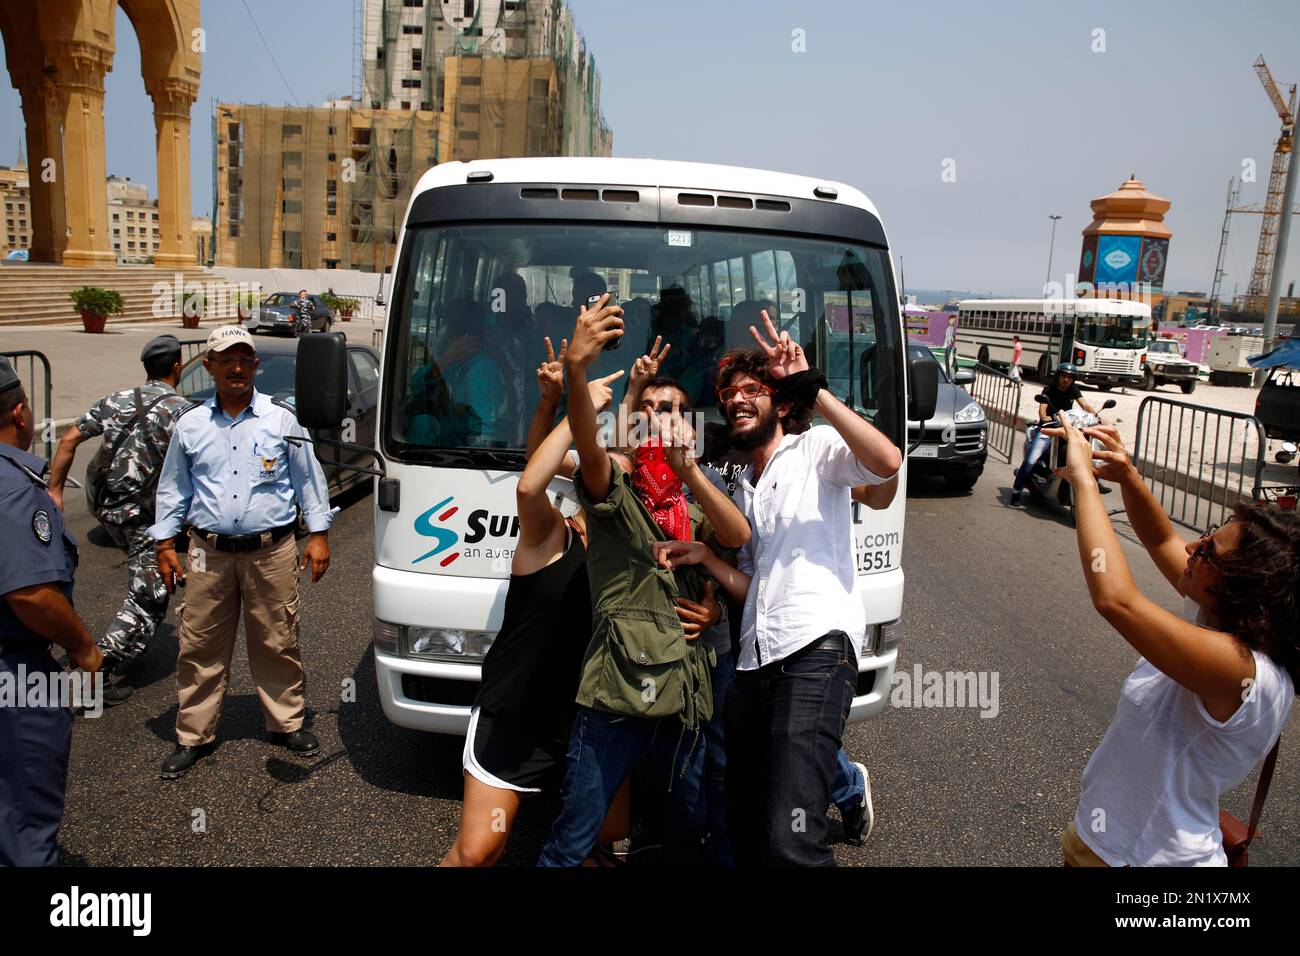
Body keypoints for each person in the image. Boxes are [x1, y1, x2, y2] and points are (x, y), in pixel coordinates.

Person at [658, 311, 901, 866]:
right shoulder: (742, 485)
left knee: (793, 842)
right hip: (753, 663)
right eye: (729, 393)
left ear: (782, 403)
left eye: (753, 389)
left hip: (815, 651)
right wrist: (706, 561)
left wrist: (813, 386)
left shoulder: (816, 450)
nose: (737, 399)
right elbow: (754, 585)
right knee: (743, 826)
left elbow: (886, 467)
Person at [537, 295, 750, 867]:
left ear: (692, 423)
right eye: (652, 408)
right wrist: (579, 372)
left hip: (687, 691)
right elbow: (589, 443)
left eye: (675, 409)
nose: (662, 416)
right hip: (618, 693)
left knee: (685, 824)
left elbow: (737, 534)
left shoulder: (696, 493)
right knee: (573, 838)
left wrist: (689, 476)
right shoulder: (616, 485)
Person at [1046, 415, 1296, 866]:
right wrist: (1128, 477)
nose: (1193, 547)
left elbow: (1116, 600)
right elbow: (1162, 538)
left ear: (1243, 586)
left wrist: (1084, 483)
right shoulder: (1219, 622)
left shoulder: (1241, 669)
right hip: (1104, 841)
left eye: (1207, 551)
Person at [442, 340, 634, 867]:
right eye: (599, 474)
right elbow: (531, 483)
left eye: (622, 481)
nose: (609, 488)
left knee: (610, 833)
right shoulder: (552, 535)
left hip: (590, 720)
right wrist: (573, 405)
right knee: (480, 849)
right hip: (518, 712)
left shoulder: (634, 557)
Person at [149, 325, 334, 779]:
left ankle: (286, 722)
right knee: (199, 644)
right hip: (206, 553)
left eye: (244, 359)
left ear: (255, 366)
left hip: (270, 552)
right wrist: (164, 544)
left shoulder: (281, 419)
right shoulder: (190, 424)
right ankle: (194, 734)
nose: (235, 367)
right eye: (225, 359)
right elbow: (174, 489)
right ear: (209, 366)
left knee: (277, 638)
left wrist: (319, 534)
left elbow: (309, 479)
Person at [46, 335, 192, 704]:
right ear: (177, 367)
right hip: (143, 517)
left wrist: (56, 492)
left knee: (142, 581)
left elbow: (67, 442)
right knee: (152, 594)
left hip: (107, 510)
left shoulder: (116, 400)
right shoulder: (183, 412)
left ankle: (86, 650)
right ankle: (96, 671)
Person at [0, 357, 103, 866]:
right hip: (14, 674)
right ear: (20, 413)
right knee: (25, 826)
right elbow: (30, 593)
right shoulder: (17, 490)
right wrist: (84, 648)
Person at [1009, 362, 1100, 505]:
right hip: (1048, 428)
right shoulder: (1050, 387)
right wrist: (1044, 417)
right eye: (1064, 376)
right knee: (1030, 460)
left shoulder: (1073, 389)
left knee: (1087, 451)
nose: (1066, 380)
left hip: (1065, 429)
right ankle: (1016, 491)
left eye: (1070, 377)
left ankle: (1095, 480)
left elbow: (1085, 405)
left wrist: (1098, 416)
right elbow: (1042, 407)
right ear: (1058, 376)